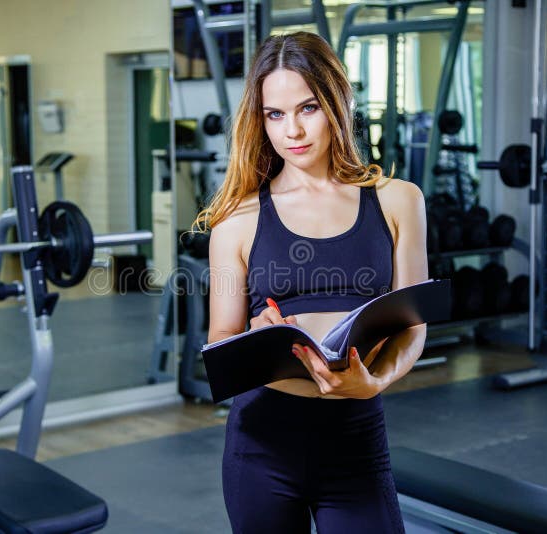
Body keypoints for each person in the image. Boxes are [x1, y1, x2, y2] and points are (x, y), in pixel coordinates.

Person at [193, 32, 428, 533]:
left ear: (337, 104)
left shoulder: (398, 201)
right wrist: (260, 340)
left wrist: (376, 381)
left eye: (308, 108)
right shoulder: (236, 218)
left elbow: (413, 325)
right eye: (274, 114)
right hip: (262, 446)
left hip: (356, 438)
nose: (292, 130)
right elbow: (220, 340)